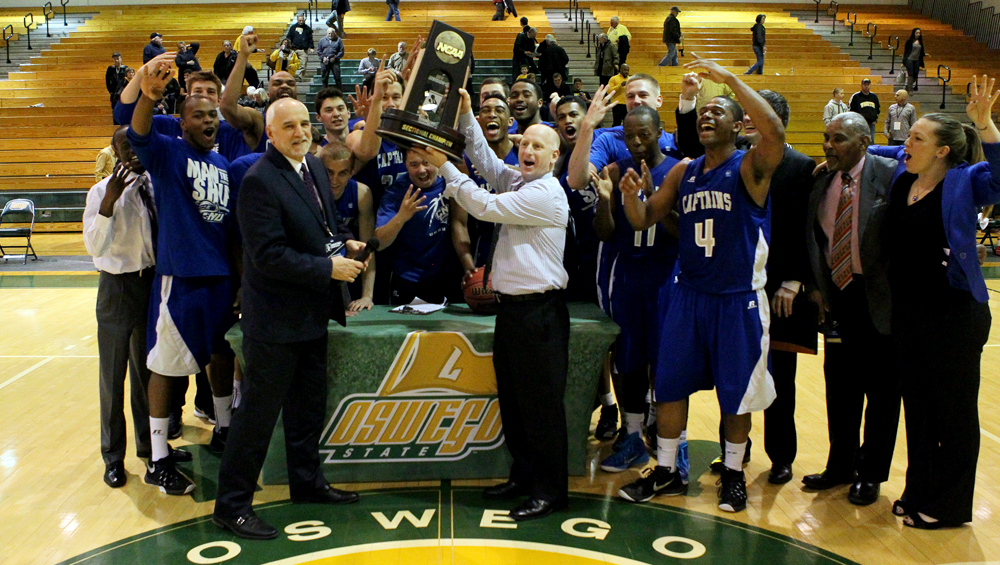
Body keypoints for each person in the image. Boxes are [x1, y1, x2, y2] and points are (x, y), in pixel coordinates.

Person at [614, 55, 785, 513]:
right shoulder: (683, 172)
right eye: (703, 113)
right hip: (688, 294)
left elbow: (775, 133)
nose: (706, 116)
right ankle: (667, 470)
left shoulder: (751, 167)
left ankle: (732, 473)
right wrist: (633, 197)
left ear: (738, 127)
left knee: (736, 393)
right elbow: (644, 219)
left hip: (737, 299)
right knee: (668, 385)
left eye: (718, 113)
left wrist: (729, 80)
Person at [412, 86, 571, 523]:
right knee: (516, 405)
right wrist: (466, 113)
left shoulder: (545, 195)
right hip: (515, 312)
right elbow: (485, 162)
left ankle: (550, 491)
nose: (529, 150)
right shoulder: (522, 179)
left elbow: (481, 205)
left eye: (539, 145)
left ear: (554, 156)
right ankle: (524, 476)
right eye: (525, 144)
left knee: (540, 409)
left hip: (541, 313)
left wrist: (443, 164)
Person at [214, 98, 365, 540]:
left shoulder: (314, 167)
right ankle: (232, 506)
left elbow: (322, 231)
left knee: (306, 410)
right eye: (289, 126)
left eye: (304, 124)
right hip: (275, 323)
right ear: (271, 135)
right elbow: (268, 256)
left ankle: (307, 483)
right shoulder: (259, 180)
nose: (300, 132)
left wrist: (344, 247)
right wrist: (328, 269)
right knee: (256, 419)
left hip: (311, 315)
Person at [883, 75, 1000, 529]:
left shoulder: (965, 182)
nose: (905, 141)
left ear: (942, 151)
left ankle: (950, 506)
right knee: (919, 408)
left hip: (955, 313)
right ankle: (918, 490)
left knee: (952, 412)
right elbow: (874, 154)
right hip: (911, 312)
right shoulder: (903, 176)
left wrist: (986, 125)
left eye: (916, 137)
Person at [128, 61, 239, 496]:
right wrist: (148, 95)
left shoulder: (225, 165)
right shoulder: (169, 152)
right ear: (183, 123)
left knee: (221, 357)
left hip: (220, 279)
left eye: (213, 115)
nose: (209, 120)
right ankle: (157, 459)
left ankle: (224, 429)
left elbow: (230, 229)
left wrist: (239, 280)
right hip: (181, 278)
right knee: (167, 368)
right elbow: (137, 133)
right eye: (199, 115)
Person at [801, 111, 900, 506]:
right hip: (838, 297)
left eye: (839, 138)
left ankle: (871, 473)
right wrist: (817, 287)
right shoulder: (821, 180)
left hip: (880, 300)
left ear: (864, 142)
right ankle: (840, 465)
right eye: (827, 137)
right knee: (840, 388)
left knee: (882, 393)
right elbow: (814, 240)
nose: (829, 145)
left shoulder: (892, 175)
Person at [589, 105, 681, 476]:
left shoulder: (678, 170)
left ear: (660, 131)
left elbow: (681, 233)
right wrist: (605, 198)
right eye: (630, 136)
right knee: (628, 361)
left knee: (665, 362)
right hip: (627, 276)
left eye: (644, 134)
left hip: (664, 276)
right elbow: (606, 233)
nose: (637, 142)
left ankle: (669, 437)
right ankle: (631, 438)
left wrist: (652, 197)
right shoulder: (614, 170)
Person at [84, 126, 157, 489]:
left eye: (135, 145)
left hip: (148, 283)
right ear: (114, 151)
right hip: (115, 288)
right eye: (124, 147)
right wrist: (109, 204)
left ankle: (150, 449)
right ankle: (113, 457)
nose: (131, 153)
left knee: (147, 375)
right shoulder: (100, 192)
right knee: (113, 378)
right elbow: (95, 247)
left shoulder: (153, 187)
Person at [567, 73, 679, 193]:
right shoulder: (609, 139)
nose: (636, 101)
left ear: (659, 101)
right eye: (630, 96)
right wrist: (588, 125)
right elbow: (576, 181)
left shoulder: (675, 141)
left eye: (643, 95)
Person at [376, 148, 459, 305]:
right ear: (405, 165)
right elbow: (379, 243)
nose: (421, 170)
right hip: (407, 278)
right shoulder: (396, 193)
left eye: (426, 163)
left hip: (446, 276)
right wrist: (401, 217)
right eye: (414, 164)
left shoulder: (451, 185)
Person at [451, 93, 519, 276]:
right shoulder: (466, 162)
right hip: (486, 251)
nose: (492, 114)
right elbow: (459, 221)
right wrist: (468, 266)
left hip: (523, 249)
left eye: (499, 110)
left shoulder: (525, 155)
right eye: (485, 111)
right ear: (478, 121)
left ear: (511, 121)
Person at [318, 143, 377, 312]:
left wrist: (367, 296)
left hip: (350, 263)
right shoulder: (310, 195)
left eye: (342, 173)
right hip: (321, 268)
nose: (334, 181)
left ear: (352, 172)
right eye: (329, 172)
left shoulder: (361, 194)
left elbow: (368, 249)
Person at [285, 13, 314, 79]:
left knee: (303, 64)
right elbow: (288, 37)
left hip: (303, 50)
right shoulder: (293, 28)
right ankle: (291, 76)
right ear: (297, 20)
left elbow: (310, 39)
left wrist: (311, 47)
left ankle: (301, 77)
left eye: (302, 20)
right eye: (300, 20)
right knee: (290, 63)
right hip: (293, 49)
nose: (301, 22)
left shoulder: (307, 29)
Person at [902, 28, 926, 92]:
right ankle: (910, 89)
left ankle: (907, 86)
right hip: (909, 59)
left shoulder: (920, 42)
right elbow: (906, 51)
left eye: (919, 33)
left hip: (916, 60)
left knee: (916, 74)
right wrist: (903, 61)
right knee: (911, 74)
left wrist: (924, 54)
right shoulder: (909, 41)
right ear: (913, 33)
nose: (918, 34)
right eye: (917, 33)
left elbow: (921, 51)